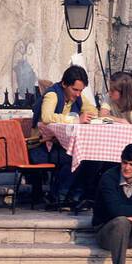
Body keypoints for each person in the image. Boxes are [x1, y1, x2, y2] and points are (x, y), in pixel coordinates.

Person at [39, 65, 98, 209]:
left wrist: (91, 115)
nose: (78, 94)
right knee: (73, 157)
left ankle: (76, 195)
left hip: (63, 144)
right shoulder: (52, 94)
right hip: (41, 146)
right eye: (75, 89)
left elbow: (93, 111)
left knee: (91, 157)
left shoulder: (77, 97)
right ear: (64, 84)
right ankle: (58, 197)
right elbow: (46, 117)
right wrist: (75, 119)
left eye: (81, 90)